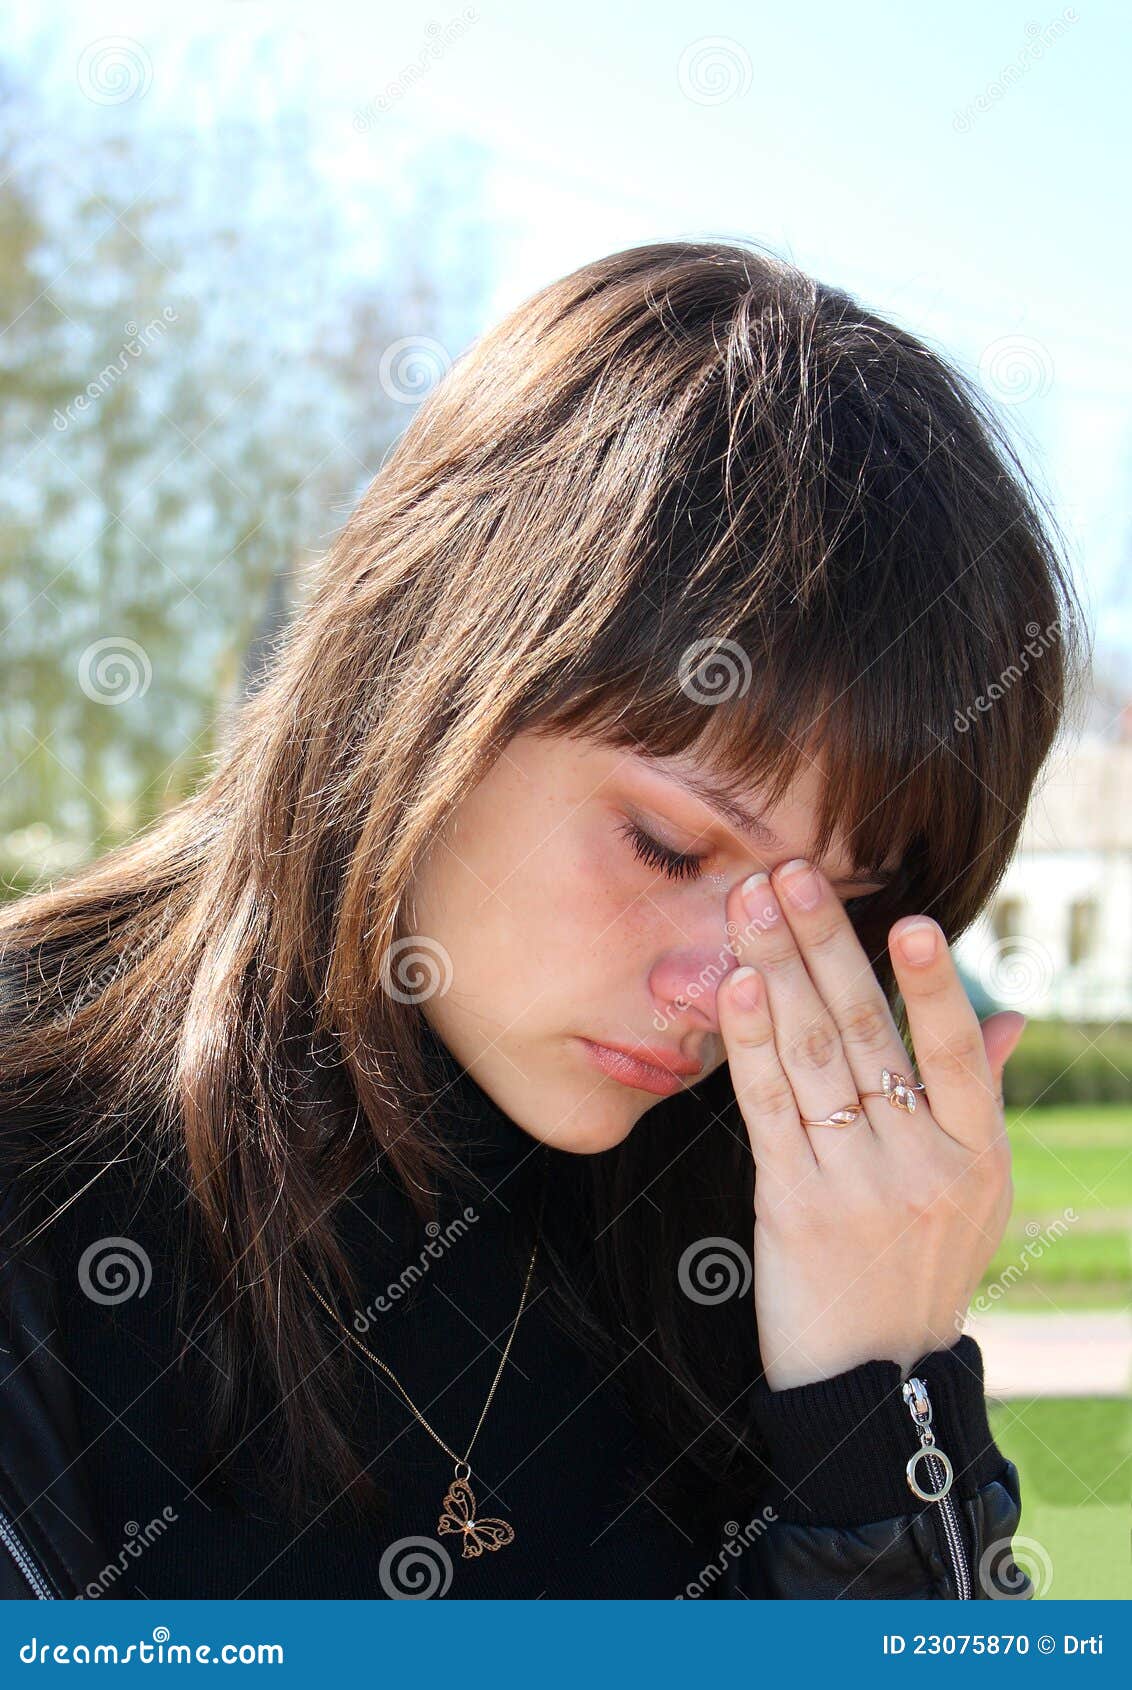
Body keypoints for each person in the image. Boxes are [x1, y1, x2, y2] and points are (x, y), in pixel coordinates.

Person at [0, 239, 1083, 1600]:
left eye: (841, 913)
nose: (726, 986)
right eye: (671, 844)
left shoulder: (770, 1212)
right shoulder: (41, 1176)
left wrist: (880, 1417)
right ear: (420, 673)